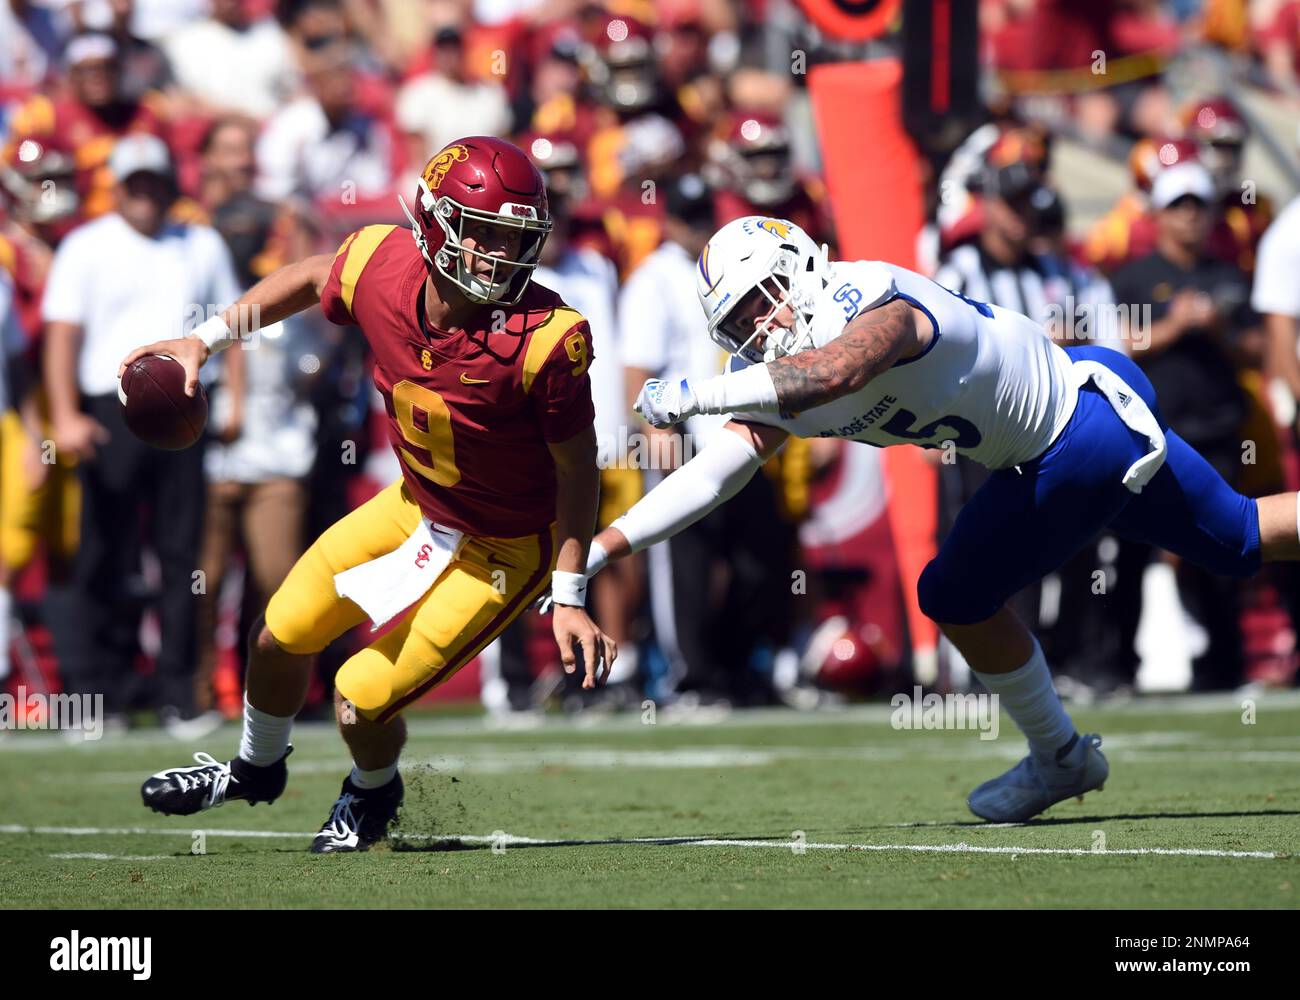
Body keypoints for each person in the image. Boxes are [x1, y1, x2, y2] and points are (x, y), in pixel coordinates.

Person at [593, 214, 1300, 823]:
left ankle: (1059, 758)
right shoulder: (775, 371)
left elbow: (837, 372)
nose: (757, 326)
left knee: (952, 595)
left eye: (760, 301)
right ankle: (1058, 758)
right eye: (739, 323)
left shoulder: (859, 293)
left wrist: (697, 393)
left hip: (1075, 428)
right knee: (1240, 538)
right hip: (1078, 424)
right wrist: (604, 547)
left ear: (798, 267)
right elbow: (713, 475)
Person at [125, 137, 615, 852]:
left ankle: (373, 791)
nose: (503, 255)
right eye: (485, 234)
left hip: (502, 546)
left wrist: (568, 593)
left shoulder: (548, 338)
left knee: (359, 697)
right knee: (278, 633)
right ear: (434, 225)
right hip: (417, 507)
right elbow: (305, 277)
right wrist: (205, 341)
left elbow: (579, 469)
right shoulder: (383, 265)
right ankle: (256, 769)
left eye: (518, 237)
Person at [43, 134, 239, 734]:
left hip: (182, 405)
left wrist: (238, 400)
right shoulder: (86, 245)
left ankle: (179, 693)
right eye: (135, 183)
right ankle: (100, 694)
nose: (146, 194)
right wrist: (65, 414)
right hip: (110, 407)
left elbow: (235, 319)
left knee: (183, 555)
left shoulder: (199, 242)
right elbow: (62, 333)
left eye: (154, 181)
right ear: (118, 186)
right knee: (106, 550)